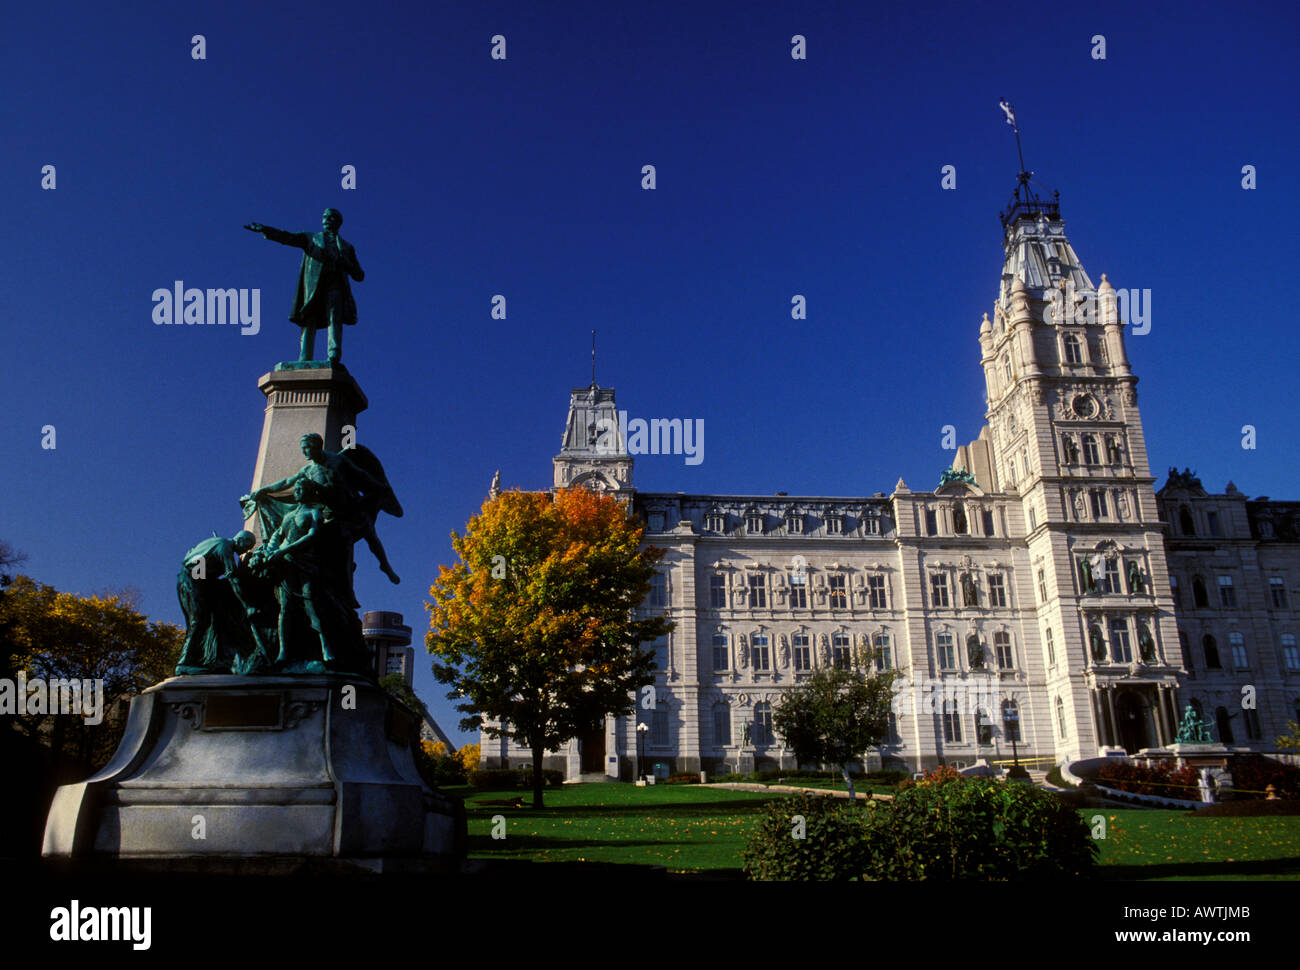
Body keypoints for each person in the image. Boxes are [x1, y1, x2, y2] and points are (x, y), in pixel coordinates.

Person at [245, 433, 401, 583]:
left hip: (349, 505)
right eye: (303, 448)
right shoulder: (308, 470)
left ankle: (385, 565)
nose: (304, 451)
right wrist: (264, 490)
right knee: (337, 547)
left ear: (317, 446)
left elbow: (360, 474)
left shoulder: (338, 461)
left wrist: (379, 486)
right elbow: (287, 482)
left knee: (370, 533)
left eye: (307, 447)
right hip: (330, 513)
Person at [244, 208, 364, 364]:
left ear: (338, 222)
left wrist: (346, 263)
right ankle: (305, 357)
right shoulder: (312, 238)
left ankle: (333, 354)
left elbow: (359, 275)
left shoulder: (347, 247)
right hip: (314, 285)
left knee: (334, 317)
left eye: (330, 217)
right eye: (324, 217)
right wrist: (266, 230)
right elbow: (288, 237)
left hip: (335, 285)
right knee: (309, 318)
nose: (326, 220)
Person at [176, 531, 256, 673]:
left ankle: (199, 660)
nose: (245, 551)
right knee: (199, 621)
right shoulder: (225, 547)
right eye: (247, 546)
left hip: (192, 579)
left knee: (200, 621)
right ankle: (185, 663)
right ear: (241, 540)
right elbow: (233, 578)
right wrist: (247, 604)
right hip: (192, 580)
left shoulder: (217, 543)